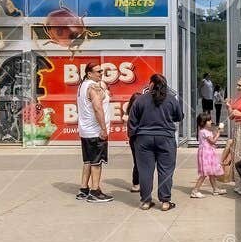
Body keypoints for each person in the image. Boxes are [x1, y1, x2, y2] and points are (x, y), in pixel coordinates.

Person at [127, 72, 183, 211]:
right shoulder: (171, 100)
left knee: (145, 170)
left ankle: (146, 201)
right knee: (166, 170)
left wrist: (134, 137)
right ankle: (165, 201)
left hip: (143, 139)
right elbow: (179, 116)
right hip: (166, 138)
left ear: (151, 84)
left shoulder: (140, 100)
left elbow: (132, 121)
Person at [75, 62, 114, 203]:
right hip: (95, 131)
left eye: (101, 71)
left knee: (88, 161)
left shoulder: (82, 86)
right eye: (98, 71)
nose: (101, 73)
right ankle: (95, 191)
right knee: (97, 162)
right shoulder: (93, 87)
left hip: (85, 130)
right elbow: (98, 108)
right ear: (89, 73)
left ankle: (83, 189)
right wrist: (103, 129)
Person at [189, 114, 225, 198]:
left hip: (208, 153)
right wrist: (219, 133)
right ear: (203, 122)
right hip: (206, 154)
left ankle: (215, 189)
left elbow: (211, 139)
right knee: (204, 174)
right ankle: (195, 191)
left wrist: (216, 131)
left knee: (211, 172)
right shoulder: (204, 131)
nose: (211, 122)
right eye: (209, 120)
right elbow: (213, 141)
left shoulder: (205, 131)